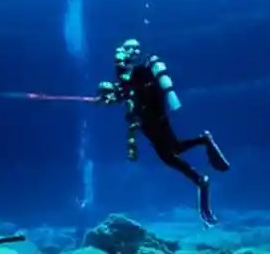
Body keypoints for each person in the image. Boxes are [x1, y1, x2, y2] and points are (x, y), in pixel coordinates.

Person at [95, 38, 230, 225]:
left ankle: (200, 177)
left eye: (123, 53)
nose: (120, 58)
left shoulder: (136, 72)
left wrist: (109, 94)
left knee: (169, 156)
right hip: (156, 120)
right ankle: (202, 146)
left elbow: (126, 91)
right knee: (174, 149)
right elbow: (127, 93)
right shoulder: (140, 73)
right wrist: (108, 96)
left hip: (152, 123)